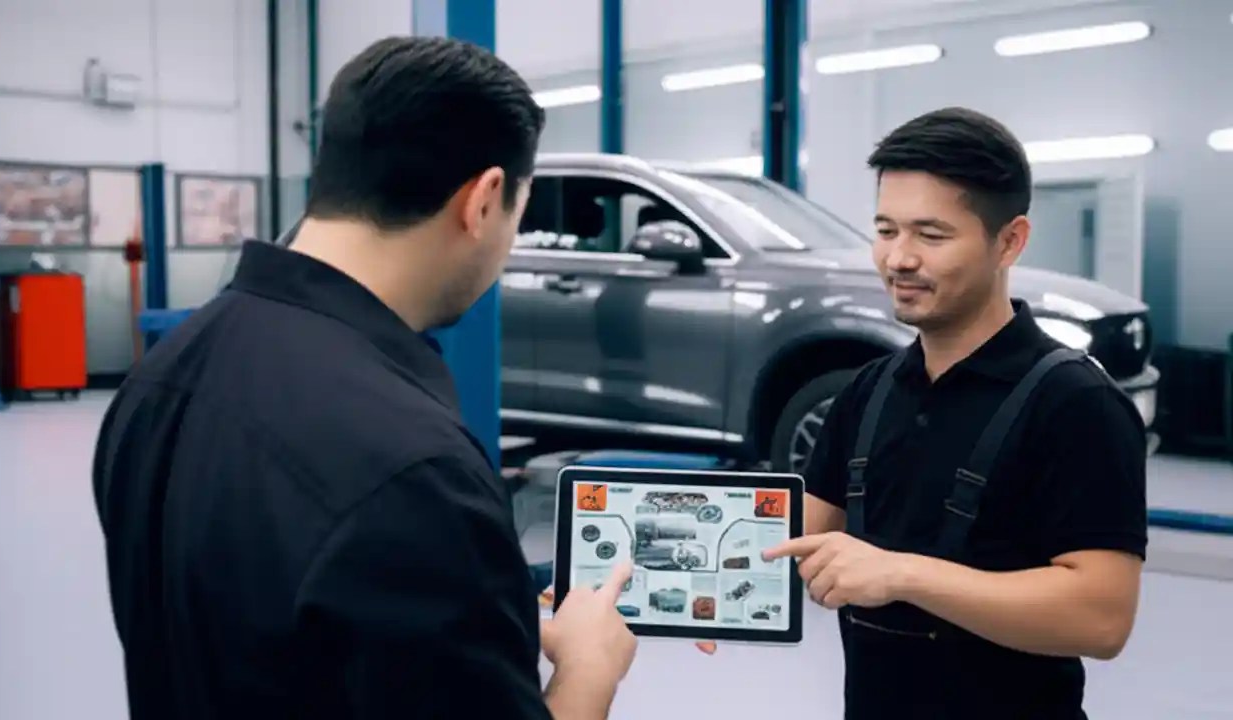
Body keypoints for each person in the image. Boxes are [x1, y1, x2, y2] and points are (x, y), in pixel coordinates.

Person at [92, 36, 636, 719]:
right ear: (485, 199)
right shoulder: (417, 469)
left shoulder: (159, 381)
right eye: (517, 222)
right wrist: (588, 670)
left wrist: (485, 595)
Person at [756, 107, 1147, 718]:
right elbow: (782, 539)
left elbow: (1101, 618)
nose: (898, 259)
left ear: (1009, 240)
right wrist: (656, 587)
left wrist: (904, 576)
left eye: (930, 235)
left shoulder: (1076, 404)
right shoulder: (868, 392)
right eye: (886, 231)